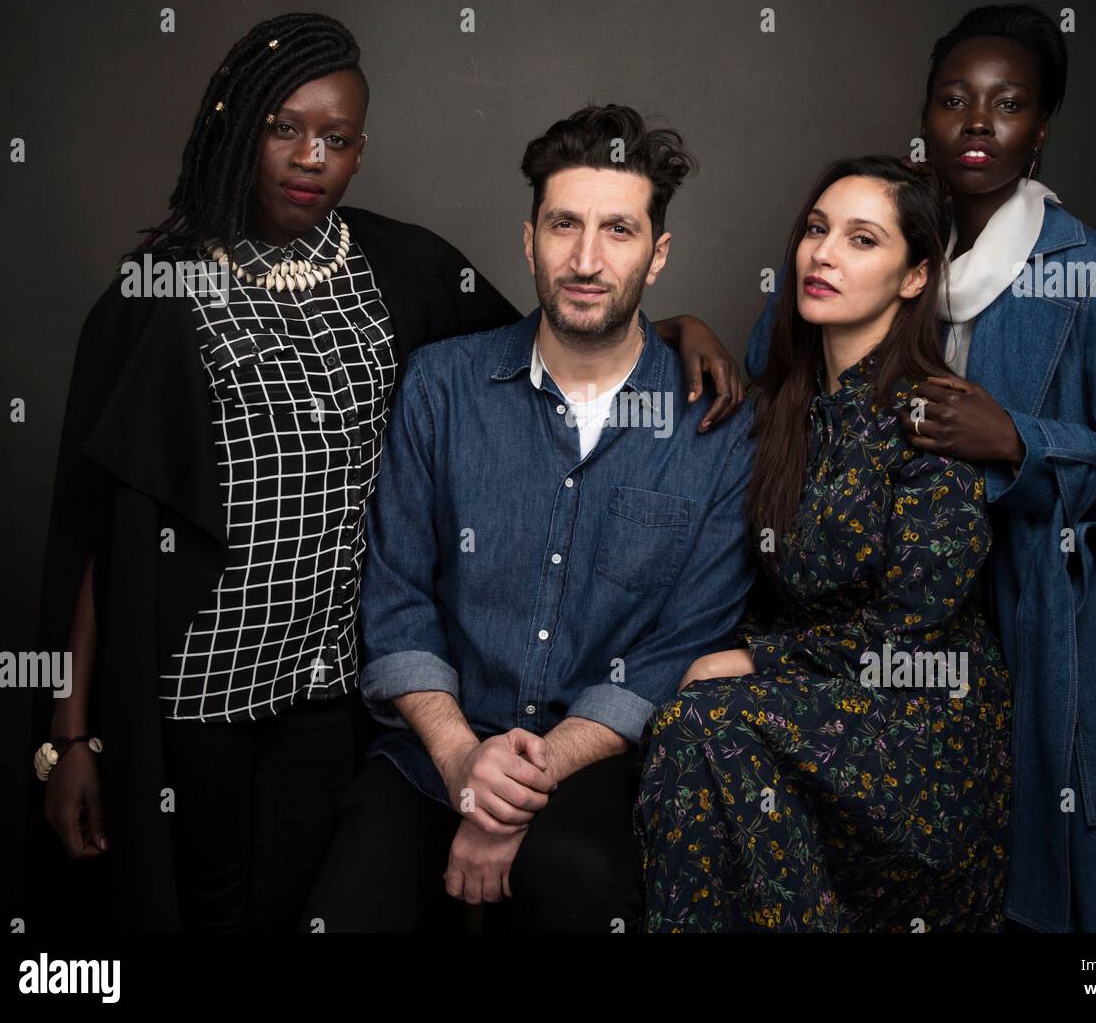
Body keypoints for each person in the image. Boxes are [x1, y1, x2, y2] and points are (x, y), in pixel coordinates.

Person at [32, 16, 745, 932]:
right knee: (199, 908)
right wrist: (69, 735)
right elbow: (99, 535)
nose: (310, 157)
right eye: (285, 127)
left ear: (361, 153)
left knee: (302, 906)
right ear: (235, 124)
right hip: (194, 683)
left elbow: (573, 322)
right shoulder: (160, 296)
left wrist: (679, 331)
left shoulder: (397, 267)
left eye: (336, 138)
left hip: (326, 693)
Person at [746, 4, 1096, 933]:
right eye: (955, 99)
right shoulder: (876, 243)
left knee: (1092, 900)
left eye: (1009, 104)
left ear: (1040, 129)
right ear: (925, 115)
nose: (978, 122)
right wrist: (675, 337)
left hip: (1050, 616)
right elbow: (780, 361)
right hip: (907, 630)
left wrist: (1022, 443)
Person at [301, 104, 757, 933]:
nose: (586, 259)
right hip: (430, 751)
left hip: (602, 767)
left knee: (578, 886)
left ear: (657, 256)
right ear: (528, 239)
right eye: (563, 225)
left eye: (618, 231)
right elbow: (397, 596)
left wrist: (521, 786)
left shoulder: (715, 431)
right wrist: (463, 763)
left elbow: (678, 646)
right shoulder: (441, 386)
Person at [637, 156, 1012, 932]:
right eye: (816, 230)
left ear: (914, 279)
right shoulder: (779, 409)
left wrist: (760, 660)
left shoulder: (932, 416)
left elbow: (917, 631)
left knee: (702, 722)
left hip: (921, 720)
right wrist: (672, 331)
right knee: (693, 727)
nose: (824, 254)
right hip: (810, 708)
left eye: (862, 239)